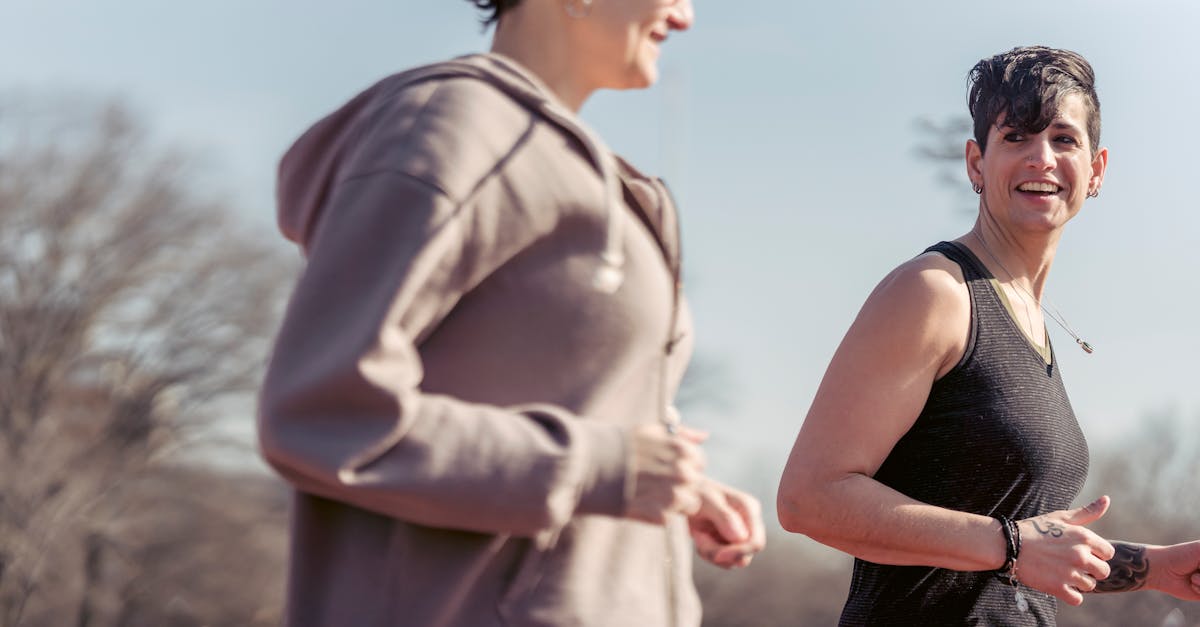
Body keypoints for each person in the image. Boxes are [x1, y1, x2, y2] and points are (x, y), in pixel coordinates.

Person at [257, 1, 765, 625]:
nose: (684, 15)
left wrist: (670, 484)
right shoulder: (451, 129)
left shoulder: (571, 165)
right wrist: (603, 466)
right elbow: (319, 413)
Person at [776, 46, 1200, 626]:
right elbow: (809, 498)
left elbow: (1010, 547)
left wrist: (1151, 568)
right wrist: (1015, 546)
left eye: (1063, 139)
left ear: (1097, 169)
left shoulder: (1025, 313)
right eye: (1016, 138)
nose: (1041, 159)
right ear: (976, 163)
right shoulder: (934, 294)